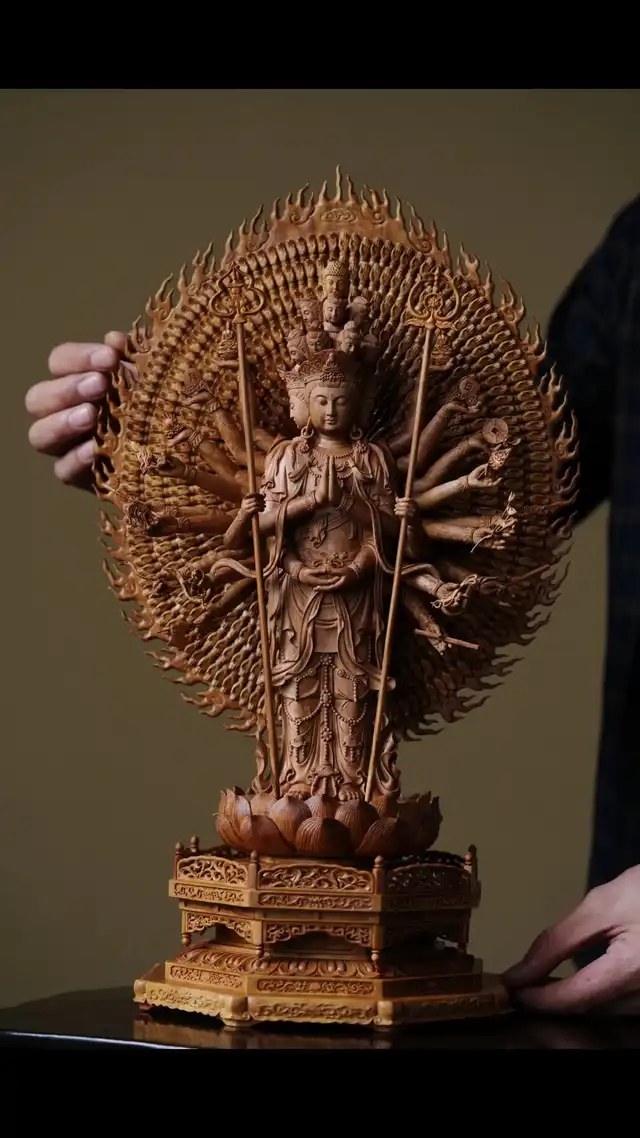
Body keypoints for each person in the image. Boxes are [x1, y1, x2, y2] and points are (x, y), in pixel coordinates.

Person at [25, 198, 640, 1015]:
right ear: (297, 398)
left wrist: (395, 533)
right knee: (296, 697)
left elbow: (468, 505)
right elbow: (538, 457)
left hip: (361, 603)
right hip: (292, 599)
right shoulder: (283, 460)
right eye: (318, 399)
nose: (330, 412)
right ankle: (301, 789)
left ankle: (342, 787)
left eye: (342, 400)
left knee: (353, 701)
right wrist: (148, 456)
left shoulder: (373, 466)